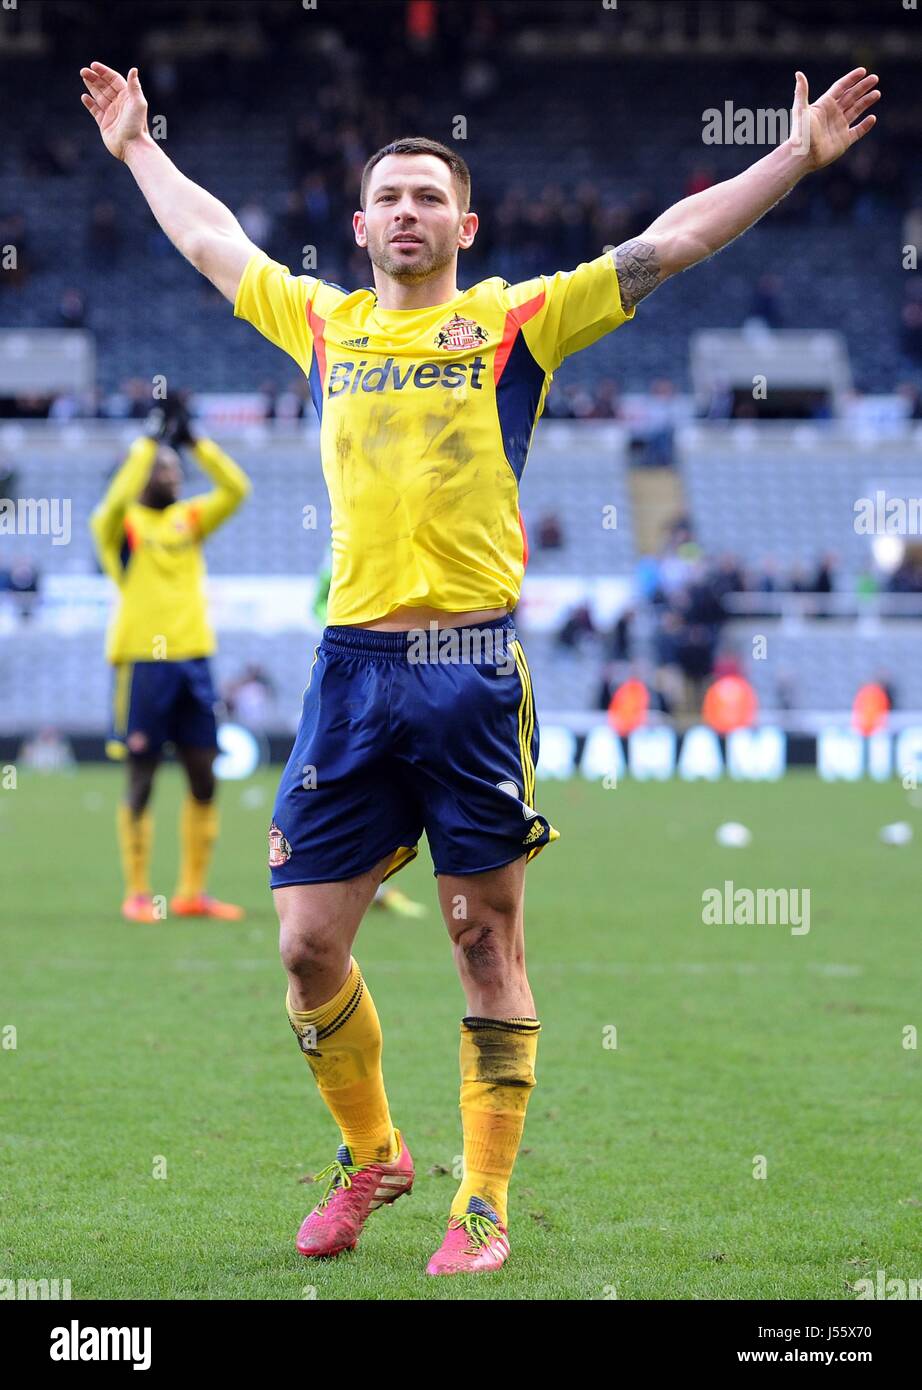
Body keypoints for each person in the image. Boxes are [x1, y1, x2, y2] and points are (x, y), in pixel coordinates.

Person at [80, 56, 880, 1277]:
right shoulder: (321, 321)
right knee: (304, 949)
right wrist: (137, 146)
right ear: (358, 227)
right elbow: (210, 239)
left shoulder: (517, 320)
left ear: (466, 221)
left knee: (482, 943)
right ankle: (377, 1154)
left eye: (427, 196)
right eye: (386, 197)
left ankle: (485, 1200)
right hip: (348, 672)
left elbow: (667, 246)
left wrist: (795, 156)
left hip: (468, 674)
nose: (406, 212)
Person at [89, 397, 251, 923]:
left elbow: (236, 489)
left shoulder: (189, 520)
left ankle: (190, 893)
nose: (174, 474)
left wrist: (194, 440)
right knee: (141, 774)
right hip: (143, 663)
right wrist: (149, 442)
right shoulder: (123, 527)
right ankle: (137, 892)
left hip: (194, 660)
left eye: (177, 468)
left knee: (204, 775)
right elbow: (110, 507)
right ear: (142, 476)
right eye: (166, 468)